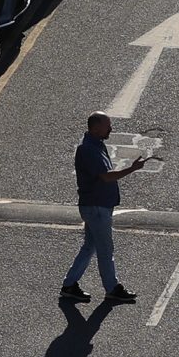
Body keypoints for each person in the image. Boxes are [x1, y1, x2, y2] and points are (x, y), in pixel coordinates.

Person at [61, 112, 153, 305]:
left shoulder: (95, 145)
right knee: (105, 249)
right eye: (107, 125)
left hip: (97, 206)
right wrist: (132, 168)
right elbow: (105, 176)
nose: (110, 128)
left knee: (89, 246)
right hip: (96, 207)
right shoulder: (88, 150)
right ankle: (112, 289)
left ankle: (70, 285)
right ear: (95, 128)